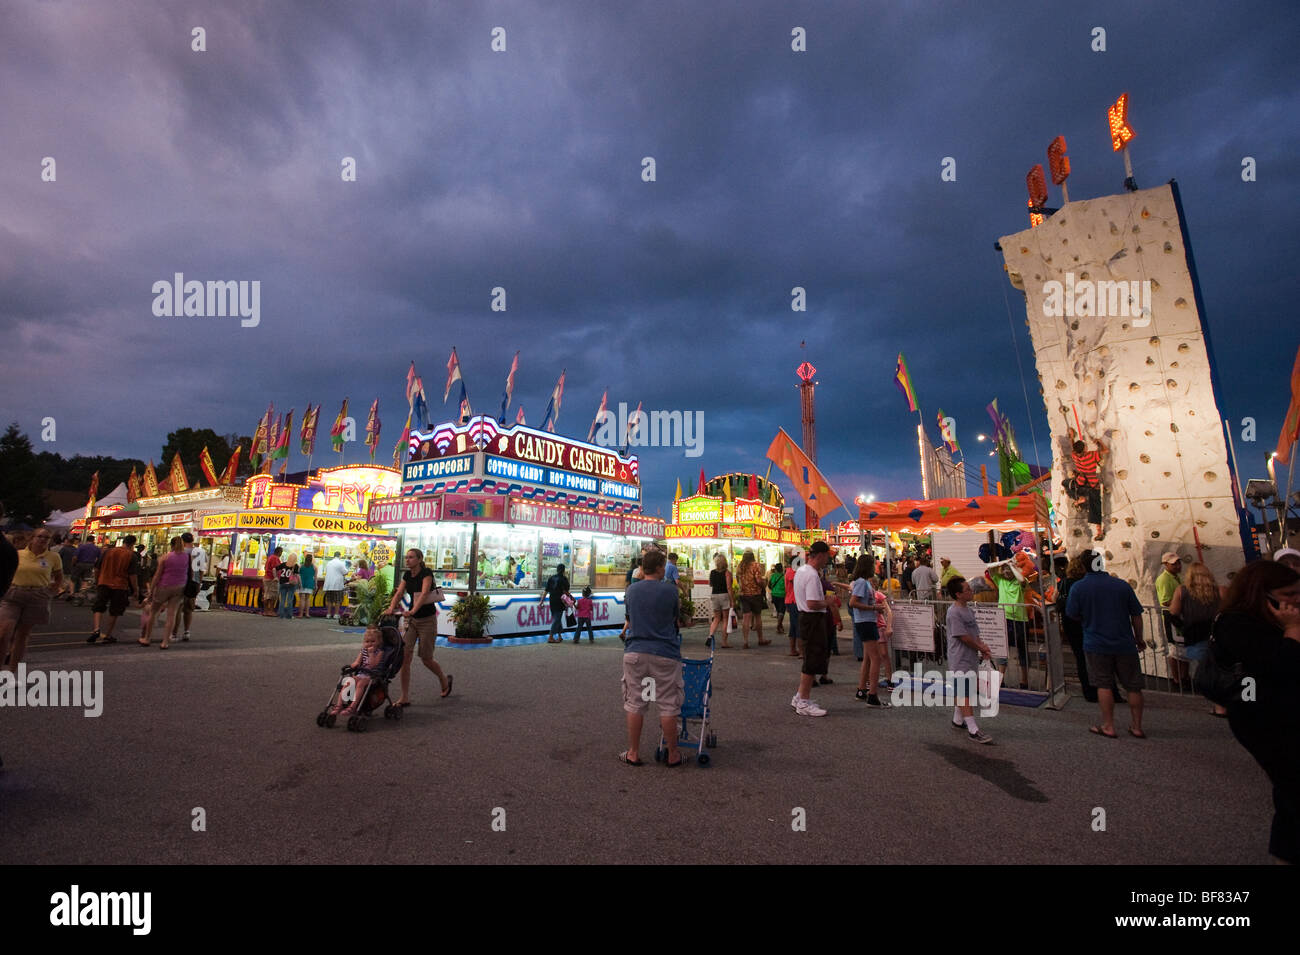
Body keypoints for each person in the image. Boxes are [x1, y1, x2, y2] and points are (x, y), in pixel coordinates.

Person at [1209, 560, 1300, 863]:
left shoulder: (1268, 620)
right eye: (1288, 593)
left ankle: (1286, 851)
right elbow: (1279, 668)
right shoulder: (1236, 623)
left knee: (1290, 789)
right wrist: (1292, 631)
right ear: (1262, 594)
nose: (1296, 599)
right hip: (1261, 717)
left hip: (1279, 713)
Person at [1066, 549, 1146, 739]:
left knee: (1103, 684)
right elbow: (1136, 614)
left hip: (1096, 642)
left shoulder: (1079, 588)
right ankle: (1137, 726)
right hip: (1124, 642)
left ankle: (1108, 725)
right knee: (1133, 686)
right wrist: (1139, 637)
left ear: (1084, 566)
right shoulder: (1121, 586)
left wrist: (1088, 619)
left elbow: (1072, 613)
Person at [618, 548, 684, 766]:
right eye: (663, 565)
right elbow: (676, 618)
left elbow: (630, 616)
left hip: (635, 651)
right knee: (667, 704)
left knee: (635, 702)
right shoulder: (670, 591)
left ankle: (633, 752)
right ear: (658, 568)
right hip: (665, 653)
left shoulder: (632, 590)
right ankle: (673, 753)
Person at [386, 548, 451, 703]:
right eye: (406, 557)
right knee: (405, 657)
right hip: (412, 621)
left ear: (420, 559)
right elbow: (399, 592)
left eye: (411, 557)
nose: (407, 560)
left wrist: (413, 610)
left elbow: (424, 594)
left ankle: (444, 680)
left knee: (426, 658)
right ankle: (404, 697)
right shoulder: (407, 574)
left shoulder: (426, 573)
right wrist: (391, 607)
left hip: (427, 620)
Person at [0, 525, 63, 670]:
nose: (43, 540)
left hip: (37, 596)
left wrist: (50, 591)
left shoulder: (54, 557)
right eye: (39, 536)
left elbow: (59, 577)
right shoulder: (19, 554)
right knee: (4, 632)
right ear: (32, 538)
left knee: (22, 634)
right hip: (14, 594)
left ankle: (12, 670)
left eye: (46, 538)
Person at [1169, 562, 1227, 716]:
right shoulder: (1220, 590)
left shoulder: (1182, 591)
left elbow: (1173, 612)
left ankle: (1219, 705)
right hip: (1217, 633)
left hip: (1195, 634)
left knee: (1206, 670)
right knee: (1217, 669)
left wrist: (1183, 625)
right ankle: (1221, 703)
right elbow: (1229, 610)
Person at [945, 577, 995, 743]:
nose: (971, 591)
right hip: (959, 658)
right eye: (967, 590)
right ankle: (973, 729)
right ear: (958, 594)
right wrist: (980, 648)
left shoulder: (968, 610)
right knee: (964, 692)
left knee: (966, 690)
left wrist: (983, 647)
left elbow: (974, 632)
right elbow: (963, 637)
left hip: (970, 656)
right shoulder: (954, 612)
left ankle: (958, 719)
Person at [790, 540, 837, 717]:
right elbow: (812, 602)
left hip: (805, 616)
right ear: (821, 555)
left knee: (810, 656)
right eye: (827, 556)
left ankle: (800, 696)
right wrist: (828, 602)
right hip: (812, 618)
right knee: (812, 659)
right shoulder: (811, 575)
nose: (828, 560)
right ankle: (803, 701)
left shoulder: (801, 571)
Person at [851, 555, 890, 708]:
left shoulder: (863, 582)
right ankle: (872, 695)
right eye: (873, 564)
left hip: (867, 621)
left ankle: (862, 689)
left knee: (868, 657)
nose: (875, 567)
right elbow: (853, 602)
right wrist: (874, 608)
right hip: (866, 621)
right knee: (876, 658)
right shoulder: (862, 583)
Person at [985, 564, 1032, 689]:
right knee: (1002, 650)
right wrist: (1003, 563)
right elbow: (989, 568)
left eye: (1009, 570)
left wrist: (1012, 566)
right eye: (1004, 569)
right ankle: (1001, 680)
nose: (1006, 571)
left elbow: (1022, 580)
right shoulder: (1000, 580)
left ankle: (1024, 681)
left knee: (1022, 650)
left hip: (1019, 619)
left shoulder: (1020, 581)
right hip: (1004, 618)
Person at [1056, 555, 1095, 702]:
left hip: (1071, 622)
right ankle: (1101, 688)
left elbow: (1055, 598)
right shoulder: (1083, 584)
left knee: (1080, 656)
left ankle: (1088, 689)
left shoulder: (1065, 583)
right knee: (1091, 656)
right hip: (1085, 622)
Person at [139, 537, 188, 649]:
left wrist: (151, 591)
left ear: (171, 545)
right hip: (179, 587)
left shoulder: (165, 557)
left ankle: (147, 638)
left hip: (164, 586)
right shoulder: (187, 557)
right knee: (171, 615)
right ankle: (165, 642)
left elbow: (157, 576)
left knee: (153, 612)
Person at [88, 535, 139, 645]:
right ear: (132, 544)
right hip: (120, 585)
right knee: (115, 610)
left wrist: (97, 581)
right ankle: (107, 634)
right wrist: (135, 589)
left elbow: (97, 568)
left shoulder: (107, 552)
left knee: (98, 607)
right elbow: (132, 575)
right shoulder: (131, 555)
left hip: (104, 581)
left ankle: (96, 629)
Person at [330, 626, 388, 717]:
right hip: (362, 673)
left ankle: (353, 706)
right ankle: (339, 705)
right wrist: (355, 664)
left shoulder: (379, 652)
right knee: (349, 682)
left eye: (373, 641)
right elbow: (357, 661)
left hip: (374, 675)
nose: (370, 644)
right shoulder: (363, 651)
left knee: (361, 684)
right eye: (367, 642)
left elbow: (373, 664)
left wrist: (371, 653)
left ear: (379, 642)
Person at [1156, 552, 1188, 690]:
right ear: (1165, 564)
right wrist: (1182, 602)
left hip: (1179, 615)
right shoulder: (1164, 579)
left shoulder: (1177, 578)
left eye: (1178, 563)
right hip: (1171, 617)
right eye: (1174, 564)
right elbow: (1165, 601)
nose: (1177, 566)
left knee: (1183, 647)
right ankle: (1176, 679)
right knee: (1174, 648)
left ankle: (1184, 677)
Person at [1069, 431, 1107, 540]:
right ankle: (1099, 531)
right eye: (1085, 446)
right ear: (1085, 449)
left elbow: (1073, 448)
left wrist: (1071, 437)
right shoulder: (1091, 455)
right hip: (1092, 482)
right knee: (1095, 506)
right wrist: (1100, 442)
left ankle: (1080, 499)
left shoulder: (1075, 456)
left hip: (1081, 481)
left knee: (1068, 484)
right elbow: (1106, 451)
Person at [171, 532, 208, 641]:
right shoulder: (201, 551)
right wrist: (199, 583)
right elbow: (202, 570)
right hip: (194, 582)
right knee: (189, 608)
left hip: (179, 581)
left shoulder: (178, 551)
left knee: (178, 608)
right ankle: (186, 631)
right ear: (192, 540)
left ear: (182, 541)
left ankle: (174, 633)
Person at [736, 549, 769, 649]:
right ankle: (760, 639)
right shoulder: (755, 565)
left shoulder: (740, 566)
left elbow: (738, 579)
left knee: (746, 617)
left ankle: (745, 641)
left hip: (743, 594)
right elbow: (758, 580)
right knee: (757, 616)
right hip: (755, 594)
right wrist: (764, 583)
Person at [706, 553, 734, 648]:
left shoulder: (712, 572)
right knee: (725, 619)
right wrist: (732, 600)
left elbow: (710, 584)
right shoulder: (727, 573)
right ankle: (724, 642)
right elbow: (729, 587)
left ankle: (710, 636)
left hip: (714, 595)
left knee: (716, 618)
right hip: (724, 595)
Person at [543, 563, 571, 644]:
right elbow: (566, 591)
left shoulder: (551, 578)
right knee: (557, 619)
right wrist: (569, 597)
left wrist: (542, 601)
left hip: (552, 600)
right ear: (564, 570)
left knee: (557, 619)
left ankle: (559, 636)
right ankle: (551, 637)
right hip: (560, 601)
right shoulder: (564, 579)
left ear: (557, 569)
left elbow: (546, 590)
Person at [323, 552, 348, 619]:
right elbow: (345, 572)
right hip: (337, 584)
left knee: (329, 600)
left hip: (328, 584)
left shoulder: (329, 563)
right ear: (339, 556)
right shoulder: (341, 563)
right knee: (337, 600)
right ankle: (336, 614)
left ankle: (328, 614)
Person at [784, 558, 800, 656]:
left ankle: (793, 650)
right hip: (793, 601)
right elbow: (797, 582)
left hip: (794, 601)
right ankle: (799, 651)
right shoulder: (790, 572)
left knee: (794, 626)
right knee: (797, 626)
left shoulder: (793, 571)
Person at [277, 553, 299, 620]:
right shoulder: (295, 566)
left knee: (282, 600)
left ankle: (281, 614)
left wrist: (276, 577)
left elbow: (274, 569)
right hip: (291, 584)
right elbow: (296, 575)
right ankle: (289, 615)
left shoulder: (283, 564)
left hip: (282, 583)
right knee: (289, 600)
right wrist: (299, 584)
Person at [262, 546, 283, 616]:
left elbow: (265, 567)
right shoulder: (275, 558)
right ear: (279, 552)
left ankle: (265, 611)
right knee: (272, 596)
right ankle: (271, 611)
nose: (281, 554)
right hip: (272, 579)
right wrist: (276, 577)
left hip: (266, 578)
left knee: (267, 595)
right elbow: (275, 568)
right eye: (281, 552)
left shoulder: (270, 557)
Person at [296, 553, 317, 618]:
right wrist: (315, 585)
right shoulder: (314, 567)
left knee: (302, 599)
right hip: (310, 583)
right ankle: (307, 614)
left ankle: (301, 614)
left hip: (302, 583)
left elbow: (297, 575)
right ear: (311, 559)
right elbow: (315, 577)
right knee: (308, 599)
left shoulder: (301, 566)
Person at [768, 562, 787, 634]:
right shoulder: (784, 577)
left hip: (774, 595)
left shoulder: (772, 576)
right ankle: (778, 626)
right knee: (782, 611)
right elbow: (786, 586)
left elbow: (769, 585)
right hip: (782, 595)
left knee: (779, 611)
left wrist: (774, 590)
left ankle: (780, 627)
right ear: (782, 569)